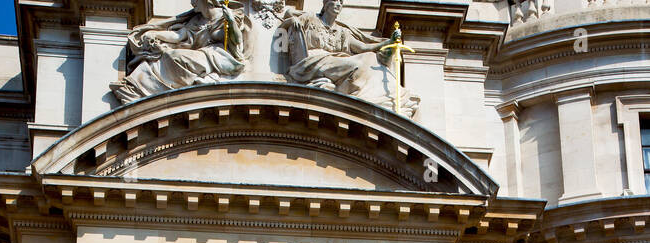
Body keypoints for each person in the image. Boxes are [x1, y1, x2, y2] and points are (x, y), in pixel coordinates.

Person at [283, 0, 420, 117]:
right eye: (335, 0)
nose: (338, 4)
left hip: (336, 61)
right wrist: (295, 20)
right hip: (315, 60)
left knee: (370, 58)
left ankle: (362, 95)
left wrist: (388, 42)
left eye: (341, 2)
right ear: (325, 4)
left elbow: (363, 47)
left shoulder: (343, 32)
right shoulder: (311, 18)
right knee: (358, 64)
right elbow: (289, 13)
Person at [110, 0, 249, 105]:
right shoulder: (197, 20)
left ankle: (196, 83)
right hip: (202, 54)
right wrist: (155, 35)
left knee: (176, 57)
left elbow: (235, 41)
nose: (192, 2)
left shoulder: (226, 17)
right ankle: (140, 86)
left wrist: (231, 22)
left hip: (218, 57)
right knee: (167, 56)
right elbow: (178, 36)